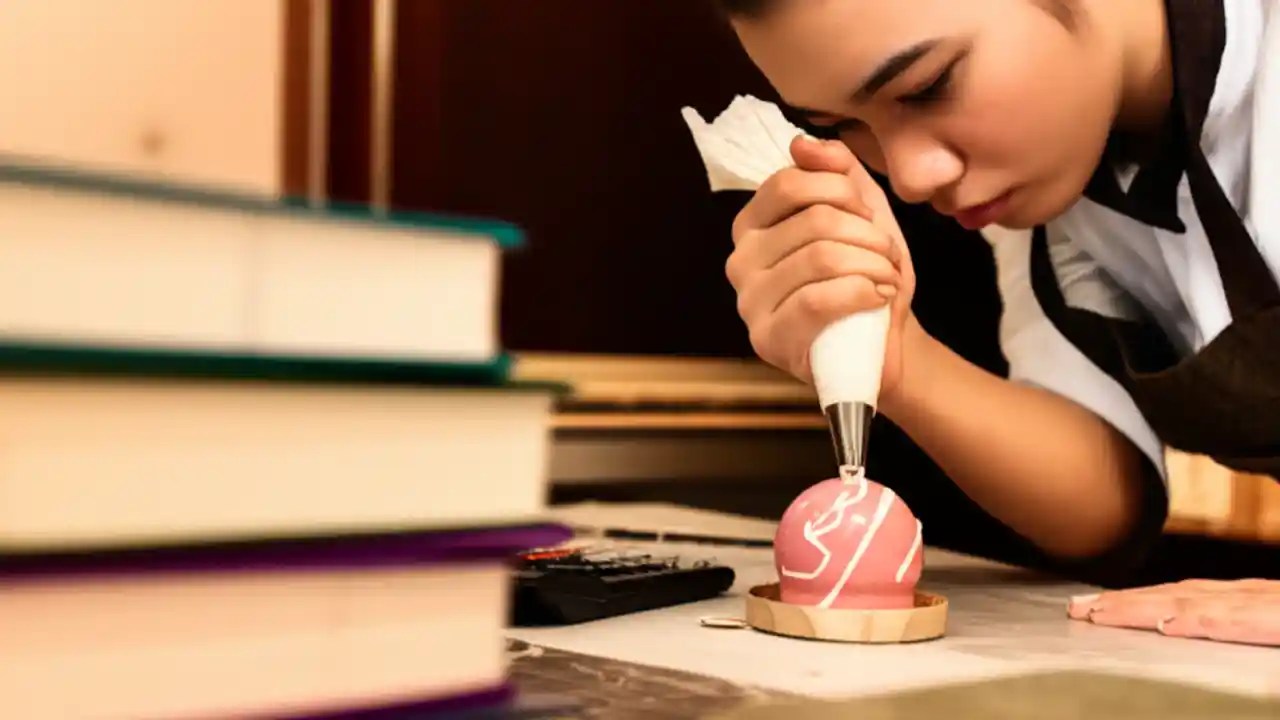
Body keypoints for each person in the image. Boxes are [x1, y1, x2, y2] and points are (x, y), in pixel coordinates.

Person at [708, 0, 1278, 647]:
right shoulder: (1064, 180)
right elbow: (1104, 504)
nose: (911, 177)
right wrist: (896, 359)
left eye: (928, 87)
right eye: (843, 126)